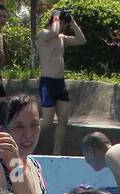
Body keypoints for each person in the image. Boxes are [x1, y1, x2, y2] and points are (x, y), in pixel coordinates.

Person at [0, 93, 47, 194]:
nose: (28, 134)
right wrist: (16, 164)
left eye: (34, 125)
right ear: (2, 131)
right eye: (19, 127)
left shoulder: (34, 164)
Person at [36, 9, 85, 155]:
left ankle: (56, 154)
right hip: (47, 83)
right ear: (55, 20)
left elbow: (82, 40)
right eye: (63, 23)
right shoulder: (44, 34)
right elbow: (53, 32)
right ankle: (24, 129)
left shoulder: (62, 38)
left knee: (63, 119)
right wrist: (56, 16)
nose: (64, 26)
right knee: (47, 122)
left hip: (60, 84)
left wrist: (73, 22)